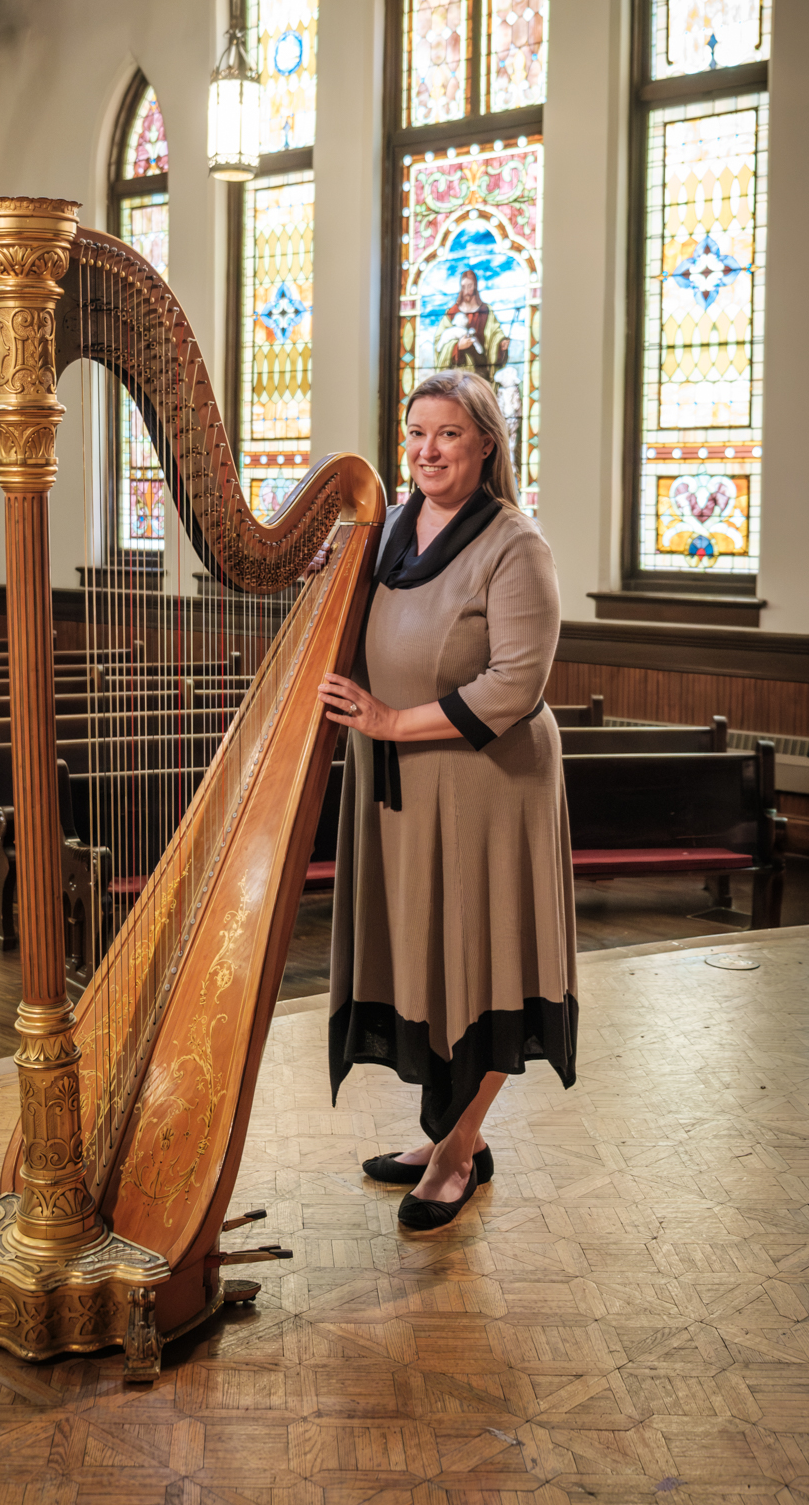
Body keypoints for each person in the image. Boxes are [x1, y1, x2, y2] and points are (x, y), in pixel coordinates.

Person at [317, 369, 576, 1231]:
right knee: (429, 959)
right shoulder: (390, 527)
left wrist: (391, 718)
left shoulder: (514, 543)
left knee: (485, 962)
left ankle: (460, 1149)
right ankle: (445, 1132)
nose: (427, 450)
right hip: (400, 786)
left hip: (485, 787)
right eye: (416, 432)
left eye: (449, 435)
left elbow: (514, 686)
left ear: (487, 445)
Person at [432, 268, 510, 380]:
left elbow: (495, 334)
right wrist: (457, 347)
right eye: (463, 287)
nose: (466, 290)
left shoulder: (485, 311)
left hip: (480, 372)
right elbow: (439, 342)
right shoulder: (451, 313)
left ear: (475, 287)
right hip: (456, 376)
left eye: (470, 286)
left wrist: (501, 344)